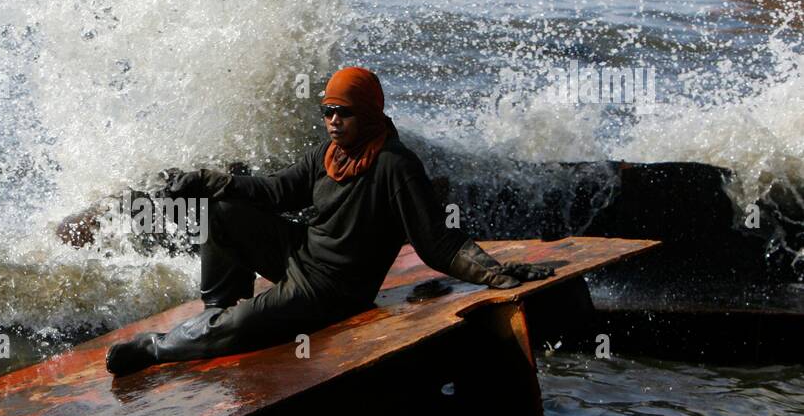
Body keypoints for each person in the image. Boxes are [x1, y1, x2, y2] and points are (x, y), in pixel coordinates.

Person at [104, 66, 554, 377]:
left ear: (370, 113)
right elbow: (276, 191)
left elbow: (438, 243)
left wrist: (494, 272)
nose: (334, 121)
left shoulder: (395, 166)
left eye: (345, 112)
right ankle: (214, 312)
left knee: (244, 328)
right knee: (221, 213)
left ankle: (157, 347)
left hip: (332, 289)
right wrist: (212, 181)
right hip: (302, 254)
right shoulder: (328, 155)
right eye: (328, 112)